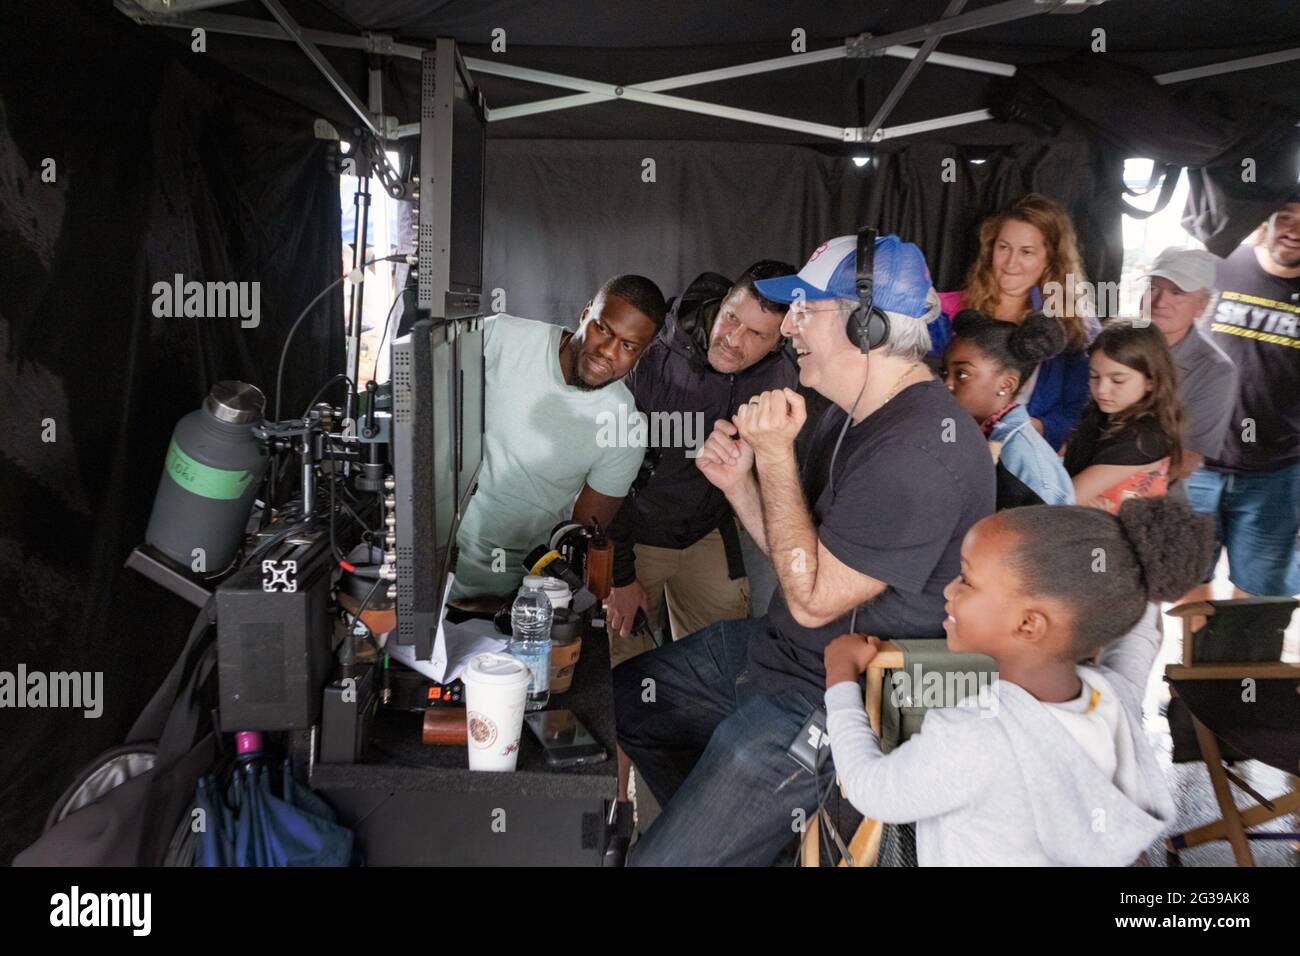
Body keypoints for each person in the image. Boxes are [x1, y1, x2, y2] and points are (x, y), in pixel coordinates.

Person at [613, 234, 994, 866]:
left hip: (839, 694)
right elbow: (801, 564)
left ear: (866, 326)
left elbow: (814, 601)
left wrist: (772, 455)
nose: (789, 328)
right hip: (782, 652)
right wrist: (740, 484)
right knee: (632, 700)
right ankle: (732, 839)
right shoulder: (848, 413)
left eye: (805, 310)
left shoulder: (920, 451)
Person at [822, 496, 1214, 865]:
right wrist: (1129, 566)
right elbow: (1137, 642)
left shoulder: (979, 736)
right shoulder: (1114, 698)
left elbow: (872, 790)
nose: (949, 590)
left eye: (967, 581)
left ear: (1028, 623)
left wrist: (840, 678)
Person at [603, 260, 799, 653]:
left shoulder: (785, 372)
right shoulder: (651, 350)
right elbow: (601, 473)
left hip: (708, 534)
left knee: (722, 662)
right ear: (726, 298)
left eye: (756, 334)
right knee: (622, 671)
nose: (732, 339)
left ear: (781, 339)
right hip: (635, 535)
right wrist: (618, 575)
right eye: (731, 317)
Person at [450, 275, 666, 602]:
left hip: (515, 590)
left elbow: (580, 533)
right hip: (432, 552)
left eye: (628, 346)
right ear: (586, 312)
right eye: (603, 329)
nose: (607, 351)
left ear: (643, 352)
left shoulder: (625, 428)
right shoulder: (500, 336)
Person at [1185, 198, 1300, 599]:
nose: (1294, 230)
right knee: (1187, 584)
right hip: (1195, 465)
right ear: (1264, 221)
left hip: (1276, 474)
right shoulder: (1219, 265)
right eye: (1285, 217)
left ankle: (1240, 663)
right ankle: (1191, 663)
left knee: (1259, 597)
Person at [929, 193, 1100, 451]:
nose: (1011, 262)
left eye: (1027, 252)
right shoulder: (948, 310)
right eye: (1003, 247)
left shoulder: (1073, 324)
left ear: (1050, 259)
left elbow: (1081, 405)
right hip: (950, 444)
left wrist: (1038, 427)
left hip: (1025, 453)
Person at [941, 309, 1075, 509]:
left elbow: (1052, 534)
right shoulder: (959, 428)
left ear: (1006, 385)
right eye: (944, 372)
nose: (947, 384)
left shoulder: (1021, 459)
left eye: (962, 374)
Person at [1063, 321, 1183, 513]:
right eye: (1094, 376)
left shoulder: (1145, 437)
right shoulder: (1098, 415)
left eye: (1117, 380)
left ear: (1151, 381)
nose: (1102, 389)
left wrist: (1076, 496)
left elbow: (1065, 497)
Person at [1141, 247, 1238, 486]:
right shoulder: (1111, 341)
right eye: (1154, 288)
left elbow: (1185, 461)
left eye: (1178, 292)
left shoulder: (1216, 370)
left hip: (1147, 493)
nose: (1161, 301)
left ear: (1202, 305)